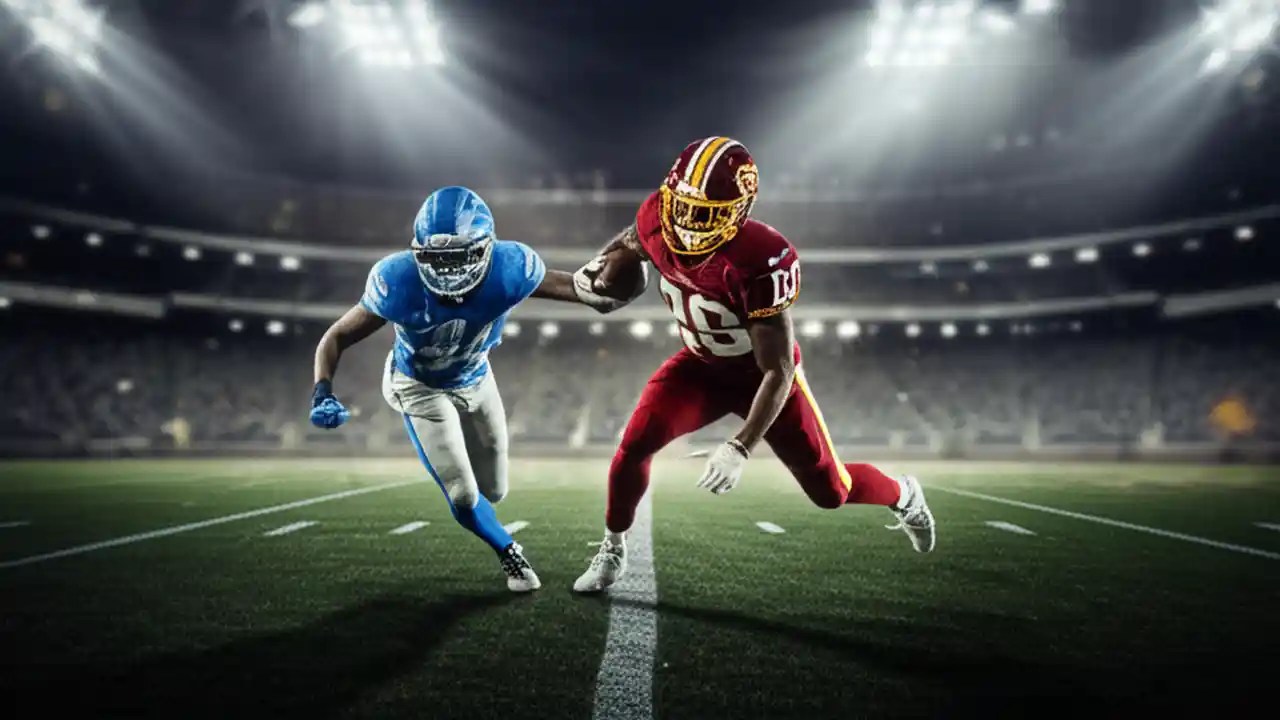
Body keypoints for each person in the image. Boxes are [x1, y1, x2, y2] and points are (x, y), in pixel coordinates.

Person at [570, 137, 936, 594]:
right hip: (698, 367)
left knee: (831, 492)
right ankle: (613, 547)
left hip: (759, 377)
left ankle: (903, 495)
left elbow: (778, 370)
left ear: (736, 213)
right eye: (682, 207)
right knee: (633, 445)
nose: (686, 224)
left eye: (703, 214)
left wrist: (740, 446)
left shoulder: (758, 260)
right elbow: (631, 239)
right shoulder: (656, 216)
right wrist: (602, 265)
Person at [310, 185, 618, 592]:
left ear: (487, 249)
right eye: (439, 258)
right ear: (418, 252)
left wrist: (606, 292)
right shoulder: (396, 281)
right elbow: (335, 336)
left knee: (496, 489)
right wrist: (322, 389)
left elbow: (580, 287)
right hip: (419, 386)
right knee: (463, 494)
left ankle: (491, 513)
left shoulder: (510, 269)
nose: (450, 271)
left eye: (463, 257)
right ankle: (509, 552)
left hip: (475, 377)